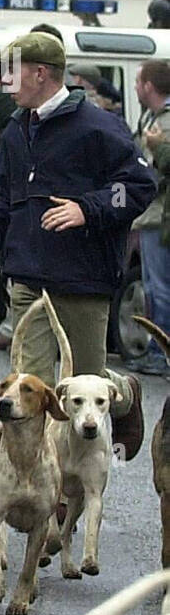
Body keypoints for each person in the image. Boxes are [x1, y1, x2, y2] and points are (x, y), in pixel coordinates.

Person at [0, 31, 154, 458]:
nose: (3, 82)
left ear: (40, 73)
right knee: (29, 390)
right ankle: (42, 488)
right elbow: (8, 200)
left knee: (85, 388)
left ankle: (125, 390)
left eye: (11, 72)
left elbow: (139, 187)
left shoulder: (99, 126)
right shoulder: (14, 129)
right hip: (28, 280)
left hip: (82, 279)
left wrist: (89, 208)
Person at [130, 58, 170, 376]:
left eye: (137, 81)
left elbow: (156, 173)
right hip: (156, 216)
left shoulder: (164, 123)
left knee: (158, 289)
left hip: (159, 215)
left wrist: (154, 149)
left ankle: (160, 352)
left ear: (148, 86)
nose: (135, 87)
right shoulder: (156, 117)